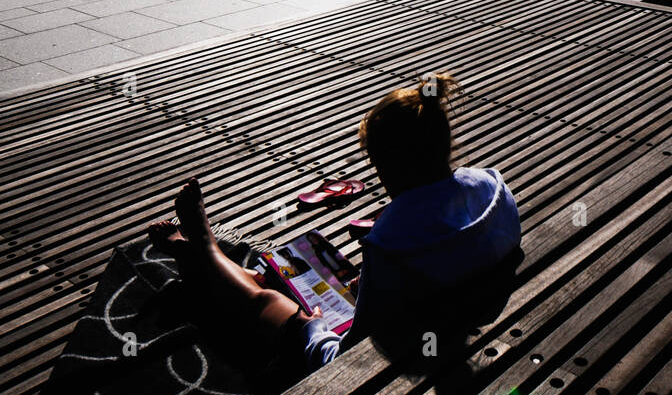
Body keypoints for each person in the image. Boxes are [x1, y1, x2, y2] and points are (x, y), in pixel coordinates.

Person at [148, 73, 521, 374]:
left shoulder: (392, 240)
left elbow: (351, 350)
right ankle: (200, 255)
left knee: (266, 301)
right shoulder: (493, 187)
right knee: (288, 284)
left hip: (382, 361)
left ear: (390, 164)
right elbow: (454, 254)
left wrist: (316, 328)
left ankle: (203, 245)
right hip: (453, 321)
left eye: (376, 165)